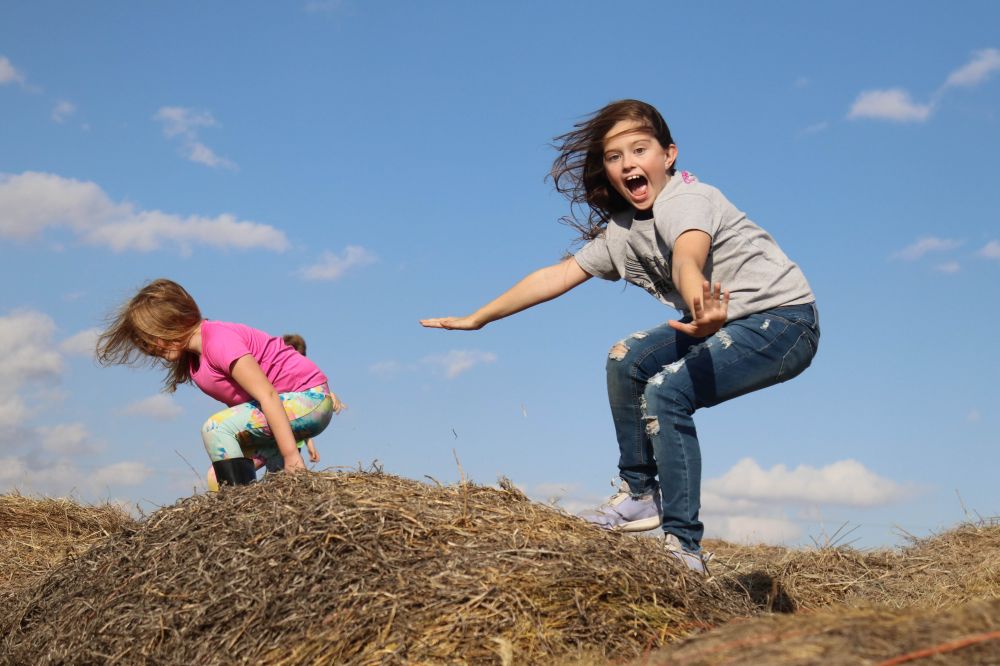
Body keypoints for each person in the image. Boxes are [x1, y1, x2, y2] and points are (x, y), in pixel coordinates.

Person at [421, 99, 819, 573]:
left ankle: (685, 548)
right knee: (625, 358)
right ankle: (639, 493)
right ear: (607, 170)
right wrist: (479, 317)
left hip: (784, 322)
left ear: (669, 155)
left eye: (640, 149)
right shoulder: (622, 231)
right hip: (715, 322)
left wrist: (698, 305)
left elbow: (687, 258)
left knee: (667, 391)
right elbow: (558, 275)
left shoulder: (687, 201)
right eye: (615, 156)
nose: (629, 163)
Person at [96, 279, 343, 490]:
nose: (148, 349)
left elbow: (267, 394)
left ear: (170, 322)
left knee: (215, 428)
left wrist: (292, 457)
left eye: (150, 338)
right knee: (217, 478)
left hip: (309, 399)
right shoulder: (196, 363)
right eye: (143, 343)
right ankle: (264, 513)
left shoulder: (219, 341)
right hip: (279, 411)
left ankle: (240, 514)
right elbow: (244, 410)